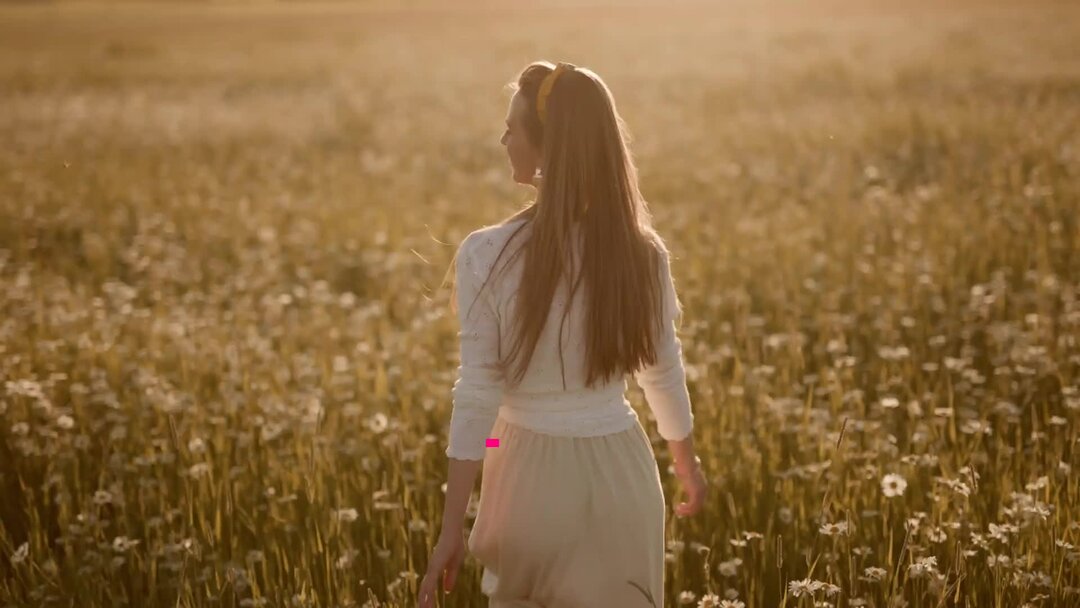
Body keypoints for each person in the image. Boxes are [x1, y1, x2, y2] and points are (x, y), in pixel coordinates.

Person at [419, 60, 707, 608]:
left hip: (523, 470)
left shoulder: (488, 253)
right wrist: (687, 467)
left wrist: (451, 528)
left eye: (513, 128)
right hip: (624, 472)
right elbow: (661, 372)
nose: (503, 138)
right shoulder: (641, 254)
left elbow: (478, 392)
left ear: (546, 147)